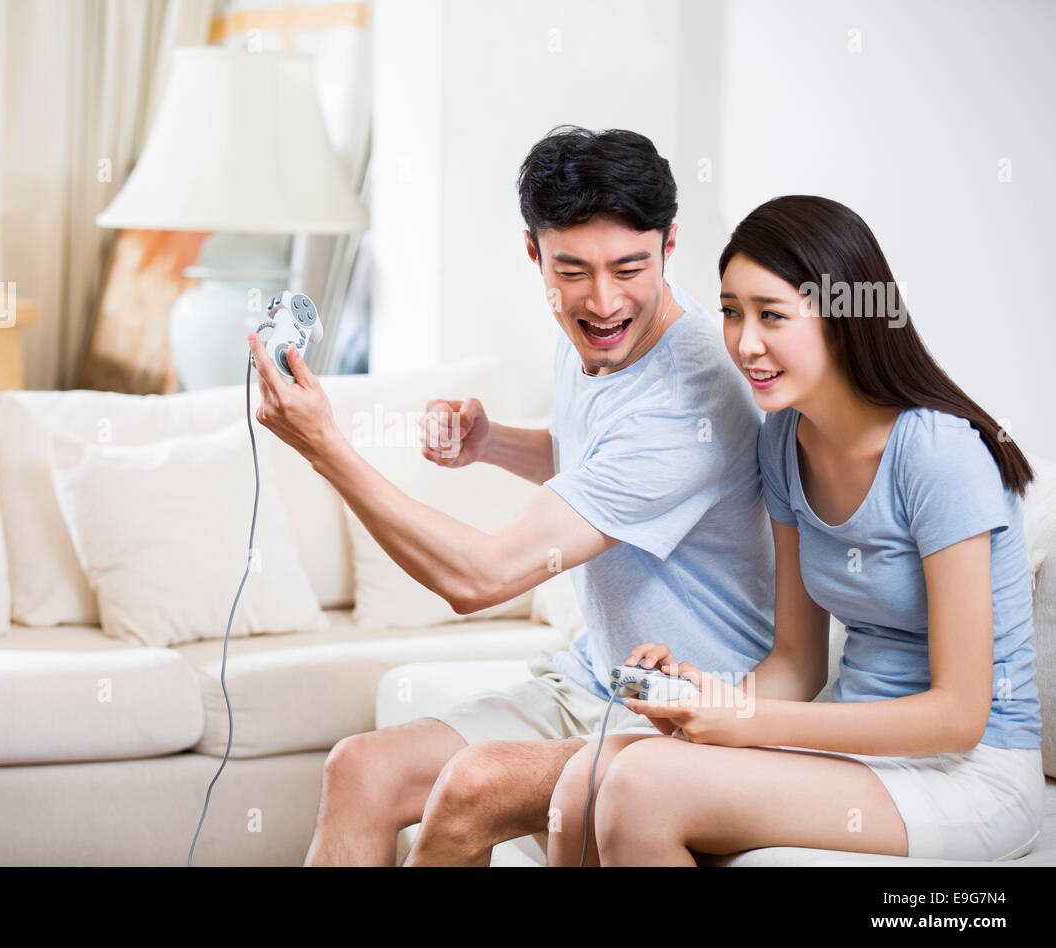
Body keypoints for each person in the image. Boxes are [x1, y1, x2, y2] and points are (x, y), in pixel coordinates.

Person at [246, 126, 774, 866]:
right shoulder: (594, 330)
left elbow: (481, 580)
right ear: (534, 252)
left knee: (475, 785)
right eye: (573, 269)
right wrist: (494, 443)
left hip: (685, 718)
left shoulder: (688, 401)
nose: (603, 299)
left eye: (630, 267)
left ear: (669, 245)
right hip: (600, 678)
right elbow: (598, 469)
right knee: (358, 770)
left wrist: (325, 449)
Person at [550, 194, 1044, 865]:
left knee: (642, 785)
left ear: (842, 318)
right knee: (585, 778)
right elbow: (797, 662)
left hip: (971, 771)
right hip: (857, 750)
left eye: (772, 316)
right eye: (731, 312)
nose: (745, 344)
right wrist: (706, 701)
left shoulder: (938, 454)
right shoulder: (784, 441)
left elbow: (960, 715)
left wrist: (751, 724)